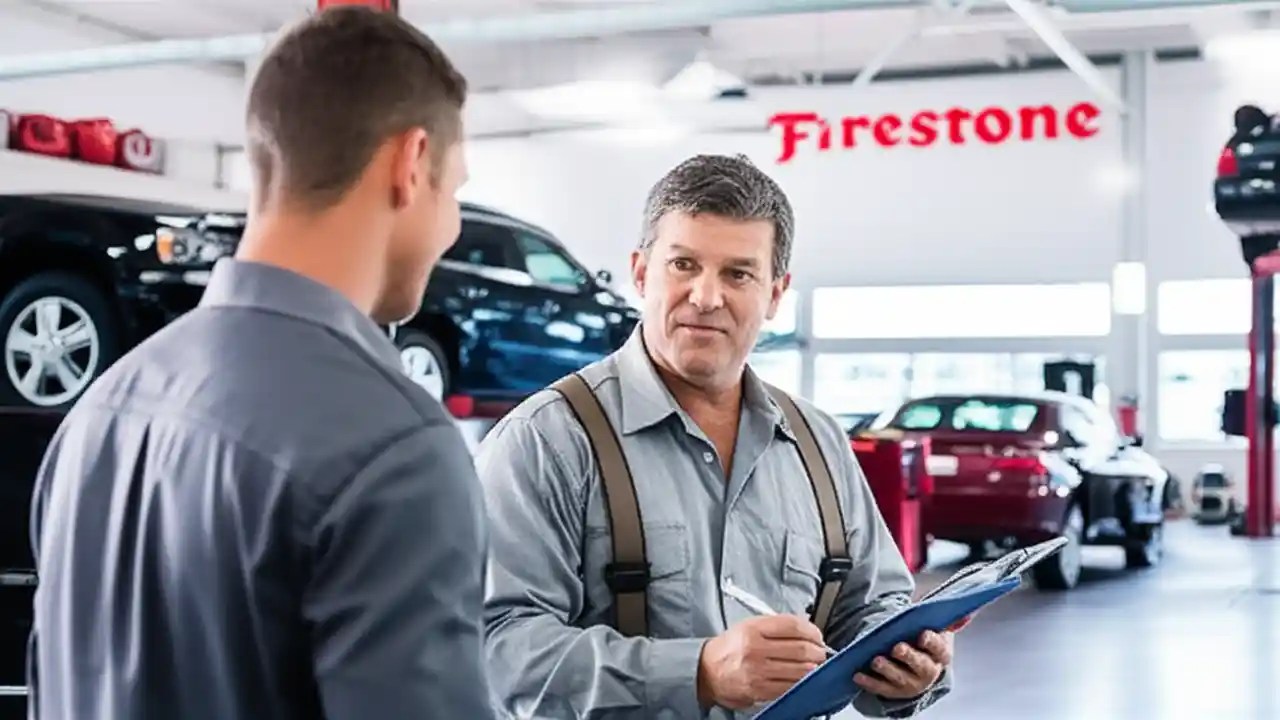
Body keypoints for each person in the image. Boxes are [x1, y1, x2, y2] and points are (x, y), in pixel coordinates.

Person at [27, 8, 491, 720]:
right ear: (409, 163)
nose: (452, 224)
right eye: (452, 188)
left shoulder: (98, 412)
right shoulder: (393, 451)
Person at [476, 154, 958, 718]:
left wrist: (909, 668)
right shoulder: (547, 440)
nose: (706, 297)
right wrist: (698, 672)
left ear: (776, 293)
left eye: (738, 273)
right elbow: (498, 650)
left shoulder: (818, 443)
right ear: (640, 272)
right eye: (683, 264)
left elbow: (871, 606)